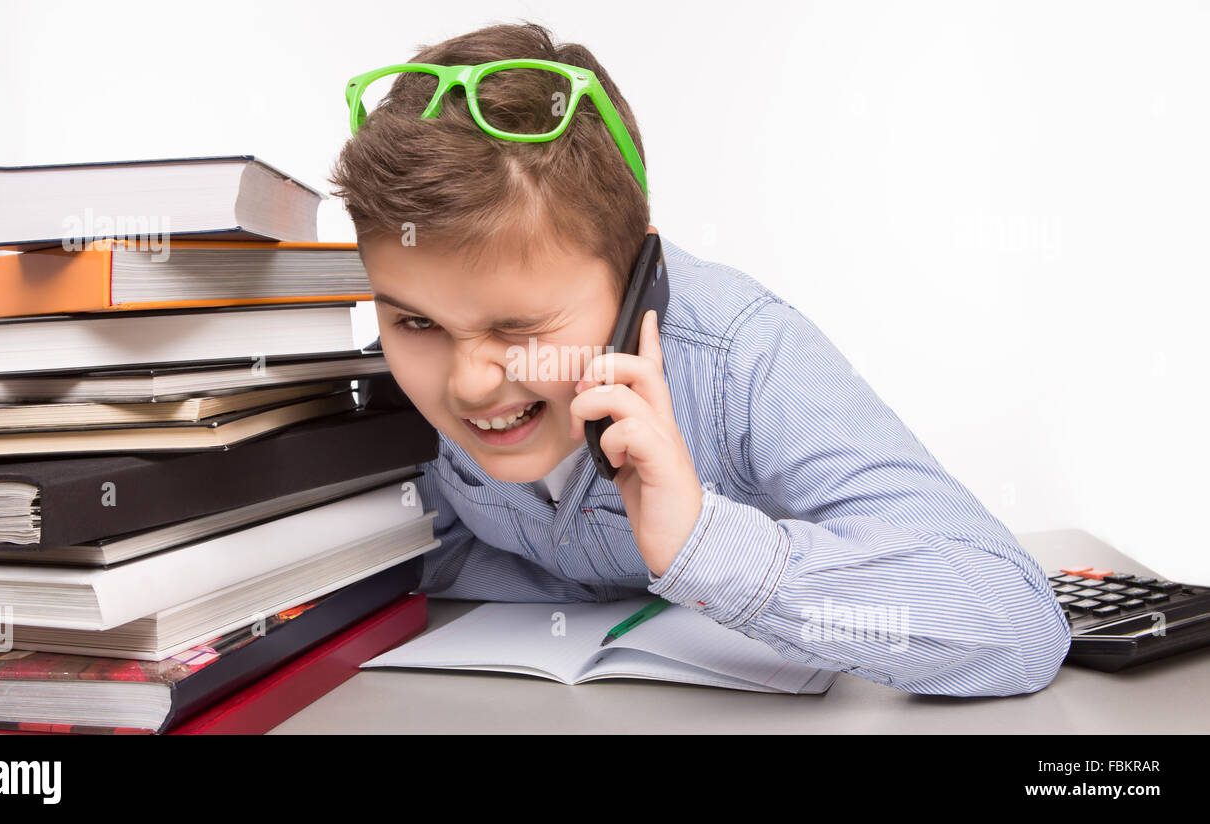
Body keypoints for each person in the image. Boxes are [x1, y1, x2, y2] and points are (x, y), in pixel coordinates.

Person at [329, 21, 1070, 696]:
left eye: (519, 326)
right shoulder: (388, 398)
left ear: (638, 277)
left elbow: (1017, 625)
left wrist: (702, 546)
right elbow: (410, 565)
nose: (468, 384)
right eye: (417, 322)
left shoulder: (745, 359)